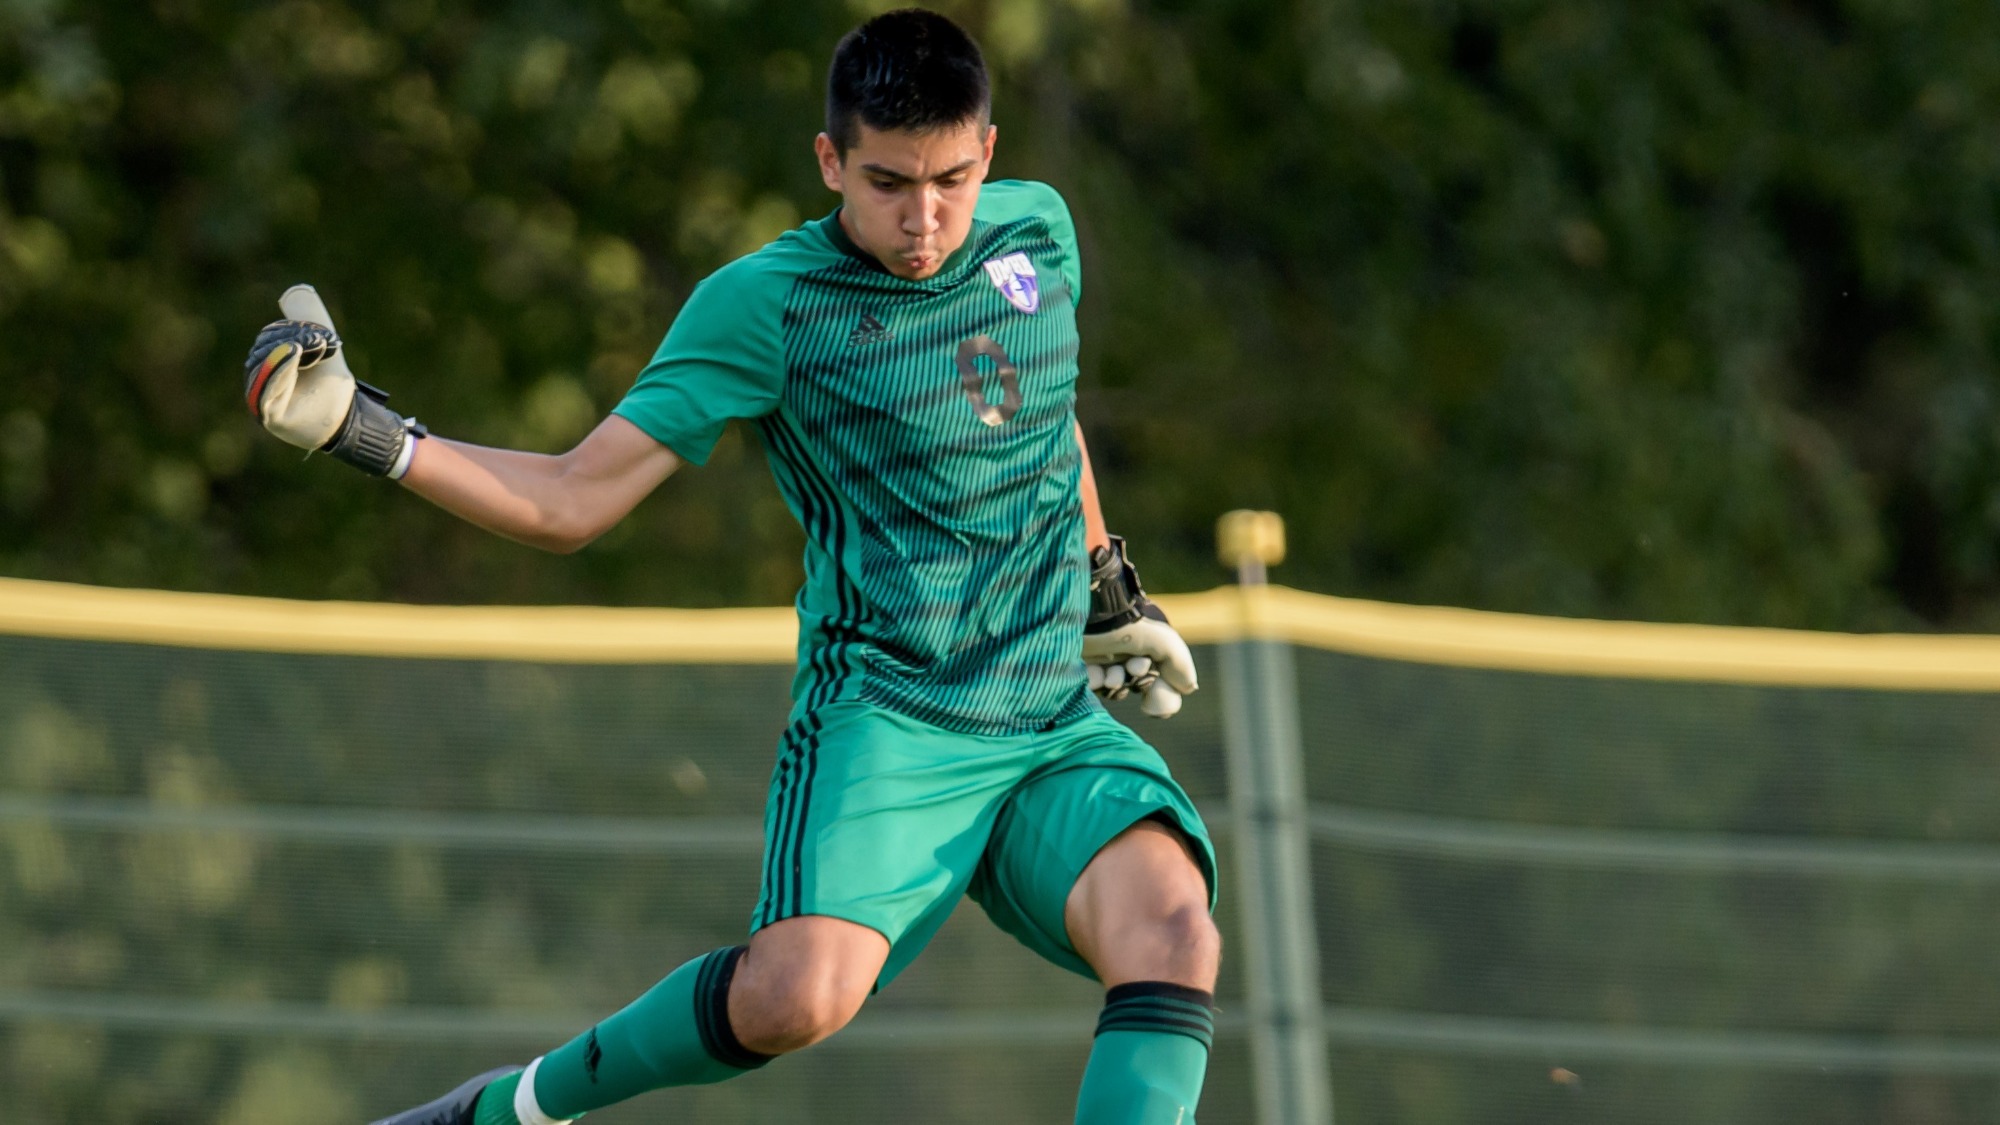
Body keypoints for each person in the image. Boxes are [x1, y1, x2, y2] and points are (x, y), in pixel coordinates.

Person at [242, 9, 1219, 1124]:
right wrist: (364, 433)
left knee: (1173, 931)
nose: (924, 216)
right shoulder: (767, 306)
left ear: (988, 152)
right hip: (892, 720)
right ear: (828, 162)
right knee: (794, 999)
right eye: (888, 182)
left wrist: (1101, 580)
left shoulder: (1037, 233)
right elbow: (573, 499)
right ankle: (507, 1111)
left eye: (949, 178)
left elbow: (1041, 416)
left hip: (1046, 715)